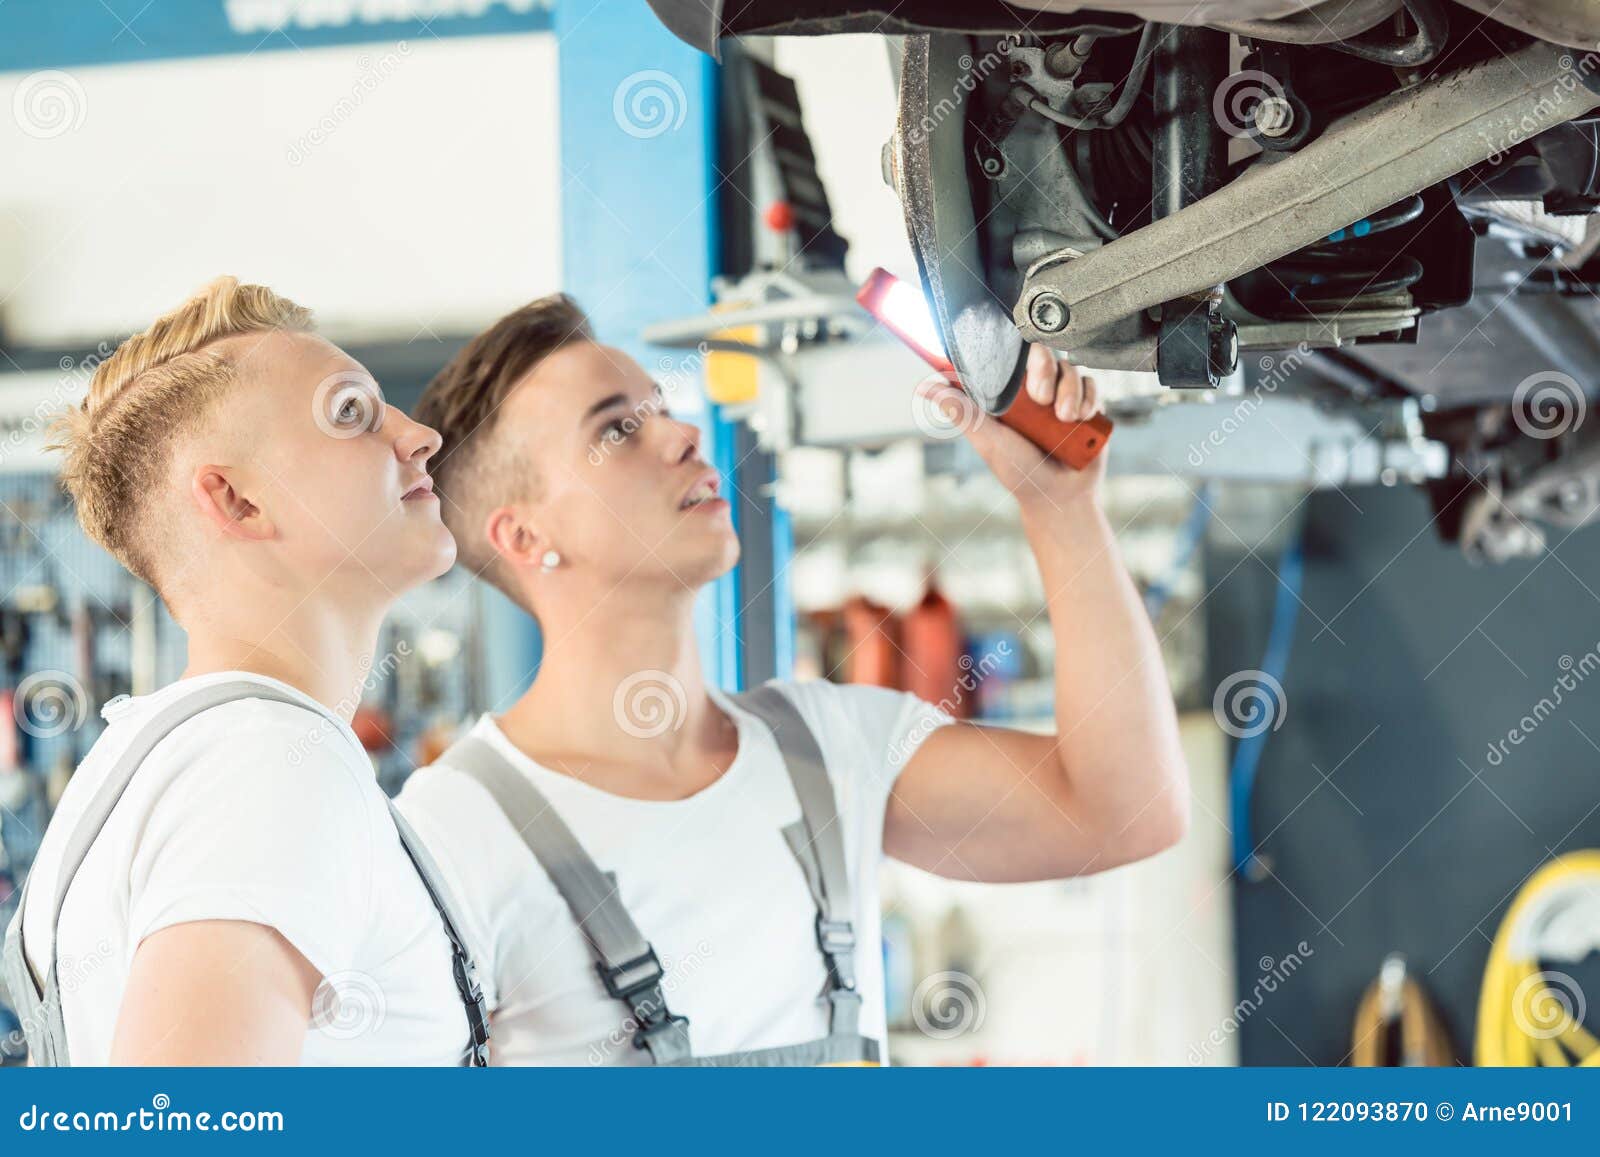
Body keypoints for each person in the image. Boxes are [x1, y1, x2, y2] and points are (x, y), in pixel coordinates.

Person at [397, 294, 1189, 1065]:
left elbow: (1124, 809)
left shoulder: (828, 748)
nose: (680, 433)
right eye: (617, 428)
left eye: (661, 407)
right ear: (524, 535)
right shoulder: (453, 833)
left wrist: (1059, 507)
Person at [2, 278, 485, 1066]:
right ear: (236, 501)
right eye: (350, 412)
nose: (420, 434)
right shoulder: (264, 766)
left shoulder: (171, 756)